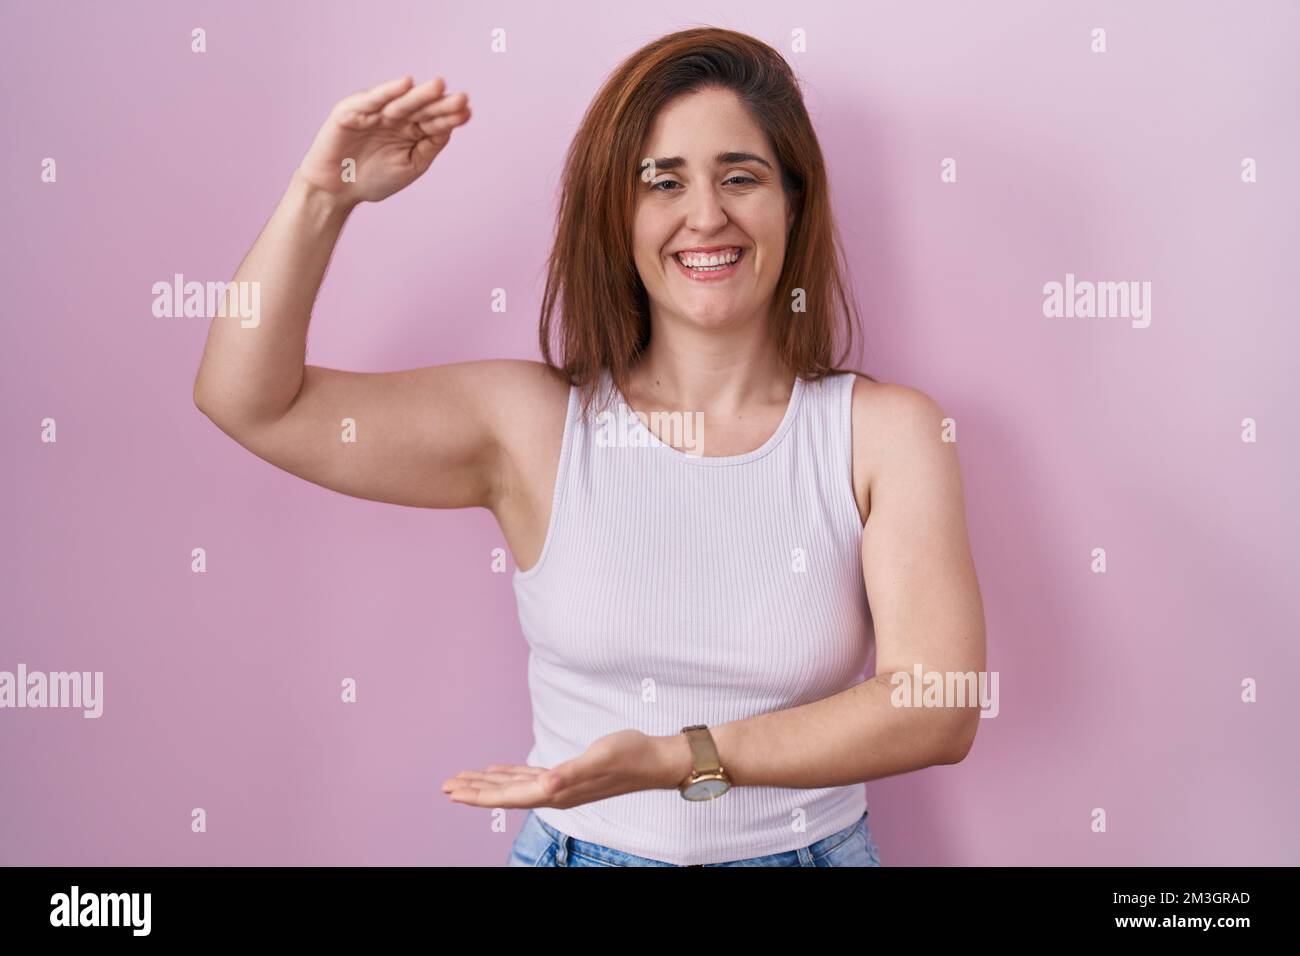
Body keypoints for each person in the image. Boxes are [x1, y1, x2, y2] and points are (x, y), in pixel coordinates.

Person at [192, 26, 986, 868]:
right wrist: (324, 195)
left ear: (793, 201)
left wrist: (676, 759)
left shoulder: (885, 432)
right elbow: (248, 401)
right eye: (663, 182)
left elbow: (937, 705)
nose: (706, 215)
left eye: (740, 177)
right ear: (616, 213)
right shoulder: (530, 424)